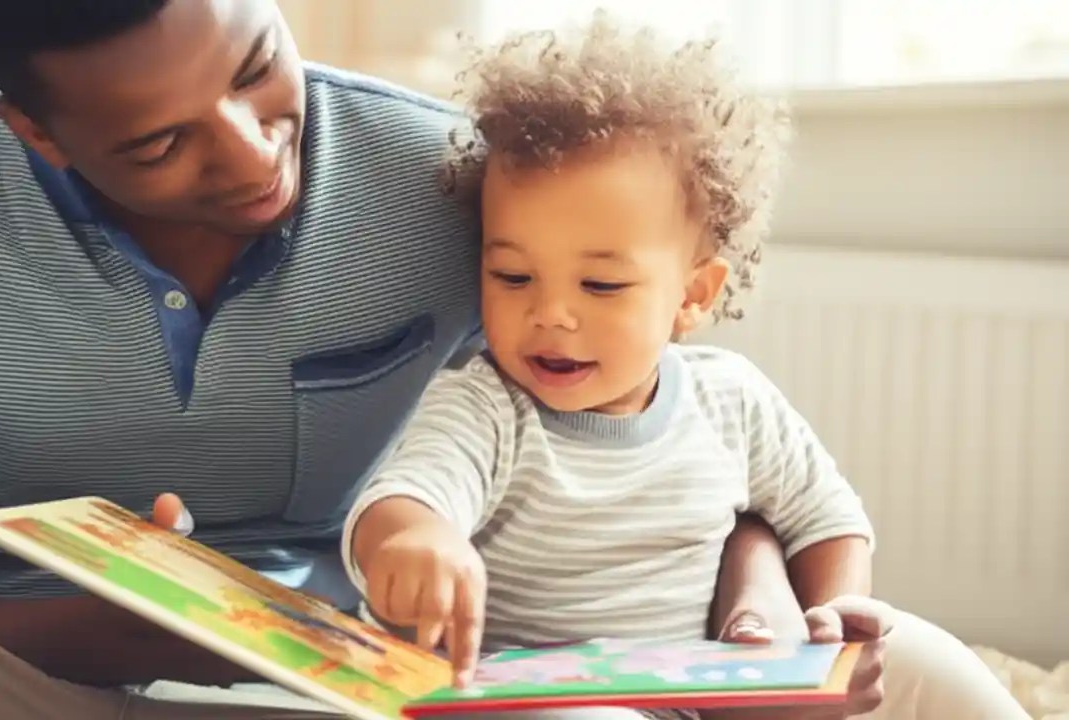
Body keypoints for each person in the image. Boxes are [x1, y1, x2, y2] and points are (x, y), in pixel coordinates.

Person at [0, 1, 1025, 719]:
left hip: (358, 670)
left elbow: (702, 438)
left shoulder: (449, 181)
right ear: (37, 133)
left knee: (914, 670)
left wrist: (755, 587)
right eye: (160, 141)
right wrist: (115, 631)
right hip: (28, 658)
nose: (248, 155)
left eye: (255, 64)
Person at [342, 13, 1031, 720]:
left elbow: (827, 518)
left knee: (923, 658)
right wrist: (414, 539)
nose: (550, 313)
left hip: (710, 694)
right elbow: (403, 501)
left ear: (694, 295)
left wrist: (832, 621)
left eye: (601, 286)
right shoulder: (486, 408)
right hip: (543, 702)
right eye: (513, 276)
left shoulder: (731, 400)